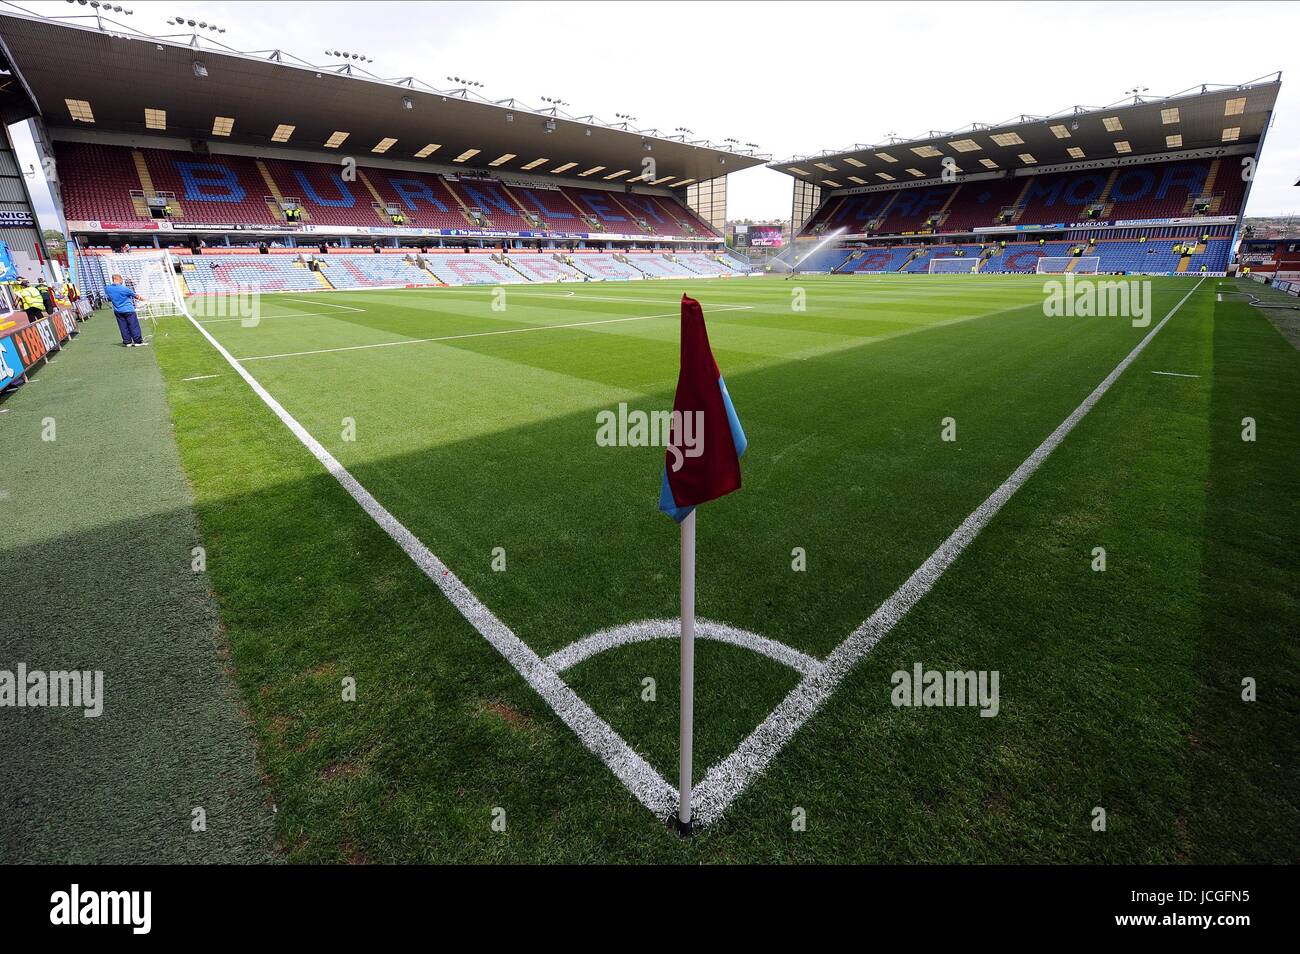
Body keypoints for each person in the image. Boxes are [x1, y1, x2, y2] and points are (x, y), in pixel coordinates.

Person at [104, 273, 147, 347]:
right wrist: (145, 300)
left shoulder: (107, 288)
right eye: (121, 280)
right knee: (133, 326)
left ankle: (127, 342)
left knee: (123, 327)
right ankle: (137, 341)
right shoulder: (124, 289)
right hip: (128, 310)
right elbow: (136, 296)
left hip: (118, 310)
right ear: (119, 279)